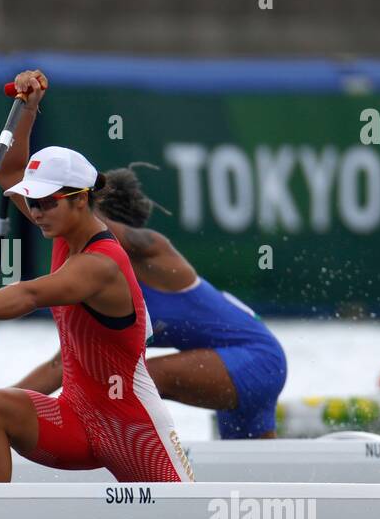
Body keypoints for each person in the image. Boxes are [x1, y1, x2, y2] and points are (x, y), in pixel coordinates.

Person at [0, 71, 193, 483]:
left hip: (132, 428)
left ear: (81, 200)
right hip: (76, 419)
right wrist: (29, 108)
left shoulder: (101, 264)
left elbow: (30, 294)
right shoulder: (63, 227)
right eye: (32, 202)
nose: (36, 212)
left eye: (47, 202)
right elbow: (10, 171)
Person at [16, 160, 288, 439]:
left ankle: (125, 458)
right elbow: (60, 367)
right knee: (252, 474)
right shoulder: (100, 283)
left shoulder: (151, 250)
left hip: (256, 359)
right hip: (222, 366)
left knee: (132, 381)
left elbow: (88, 224)